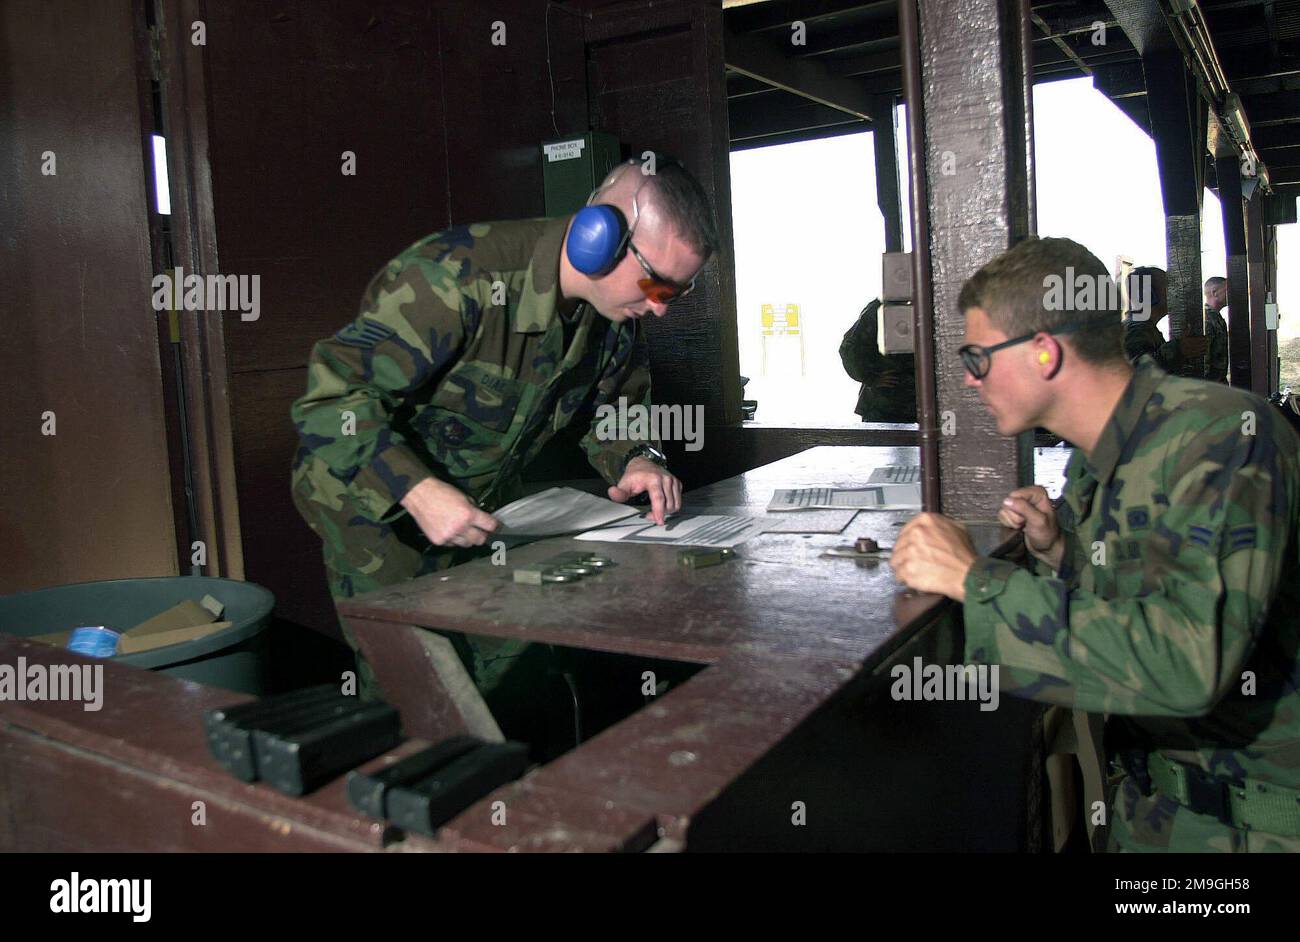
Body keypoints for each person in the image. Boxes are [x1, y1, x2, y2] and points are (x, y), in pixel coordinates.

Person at [892, 236, 1300, 852]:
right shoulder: (1104, 457)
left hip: (1249, 831)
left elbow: (1188, 664)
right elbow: (1154, 590)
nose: (970, 382)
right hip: (1156, 812)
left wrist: (973, 580)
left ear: (1044, 353)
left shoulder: (1222, 437)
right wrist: (1064, 553)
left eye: (977, 359)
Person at [290, 155, 717, 737]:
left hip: (484, 508)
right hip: (372, 509)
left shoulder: (615, 316)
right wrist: (416, 490)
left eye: (678, 290)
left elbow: (615, 409)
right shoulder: (455, 277)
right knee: (417, 688)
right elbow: (330, 400)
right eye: (656, 282)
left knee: (511, 677)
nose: (661, 305)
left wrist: (638, 457)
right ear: (599, 237)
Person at [839, 298, 917, 423]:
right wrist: (870, 377)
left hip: (924, 405)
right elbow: (850, 348)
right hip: (886, 408)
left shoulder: (931, 302)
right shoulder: (882, 307)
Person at [1122, 266, 1207, 373]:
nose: (1175, 292)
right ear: (1147, 294)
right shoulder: (1135, 330)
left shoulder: (1144, 327)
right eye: (1168, 286)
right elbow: (1135, 372)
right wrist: (1178, 349)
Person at [1203, 276, 1230, 384]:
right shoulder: (1206, 320)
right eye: (1227, 290)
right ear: (1214, 292)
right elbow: (1204, 358)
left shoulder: (1216, 318)